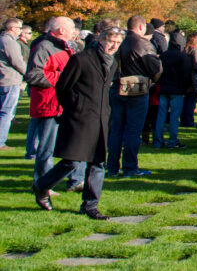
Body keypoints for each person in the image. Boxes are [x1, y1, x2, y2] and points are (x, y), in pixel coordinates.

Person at [33, 26, 123, 219]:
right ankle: (42, 185)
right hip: (80, 116)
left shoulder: (113, 62)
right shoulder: (81, 59)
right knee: (72, 160)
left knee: (98, 162)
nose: (113, 46)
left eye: (117, 43)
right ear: (101, 40)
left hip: (101, 116)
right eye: (110, 41)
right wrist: (75, 107)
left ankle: (90, 205)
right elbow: (63, 87)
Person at [26, 17, 80, 188]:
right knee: (47, 149)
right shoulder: (44, 46)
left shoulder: (69, 47)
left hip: (66, 103)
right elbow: (33, 75)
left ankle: (76, 181)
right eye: (71, 28)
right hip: (49, 103)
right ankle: (43, 184)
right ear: (61, 30)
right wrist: (62, 78)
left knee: (74, 144)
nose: (75, 31)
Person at [154, 30, 192, 149]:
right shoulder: (182, 56)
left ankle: (158, 142)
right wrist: (186, 87)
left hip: (164, 88)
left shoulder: (163, 56)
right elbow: (186, 74)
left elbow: (158, 72)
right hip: (177, 89)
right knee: (174, 117)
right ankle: (172, 141)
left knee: (161, 117)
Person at [0, 17, 27, 150]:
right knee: (7, 112)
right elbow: (17, 61)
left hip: (4, 79)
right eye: (19, 28)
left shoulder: (3, 39)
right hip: (9, 80)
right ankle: (1, 143)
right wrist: (28, 74)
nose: (20, 31)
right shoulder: (9, 42)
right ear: (12, 28)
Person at [181, 33, 197, 128]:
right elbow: (196, 64)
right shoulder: (195, 51)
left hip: (186, 78)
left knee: (187, 100)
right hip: (194, 79)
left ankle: (185, 119)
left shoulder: (185, 50)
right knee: (191, 101)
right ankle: (189, 121)